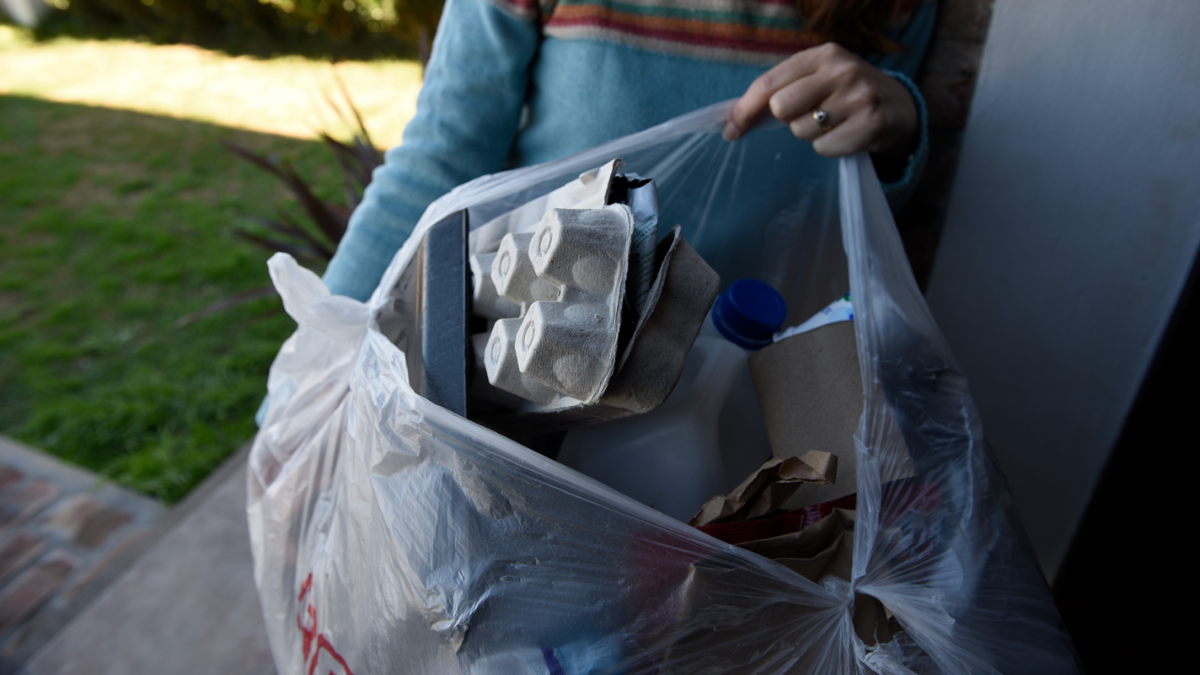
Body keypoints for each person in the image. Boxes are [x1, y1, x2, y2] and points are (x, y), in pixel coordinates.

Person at [322, 0, 938, 302]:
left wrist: (897, 122)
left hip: (763, 384)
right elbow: (440, 160)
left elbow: (864, 194)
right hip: (538, 366)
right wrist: (314, 372)